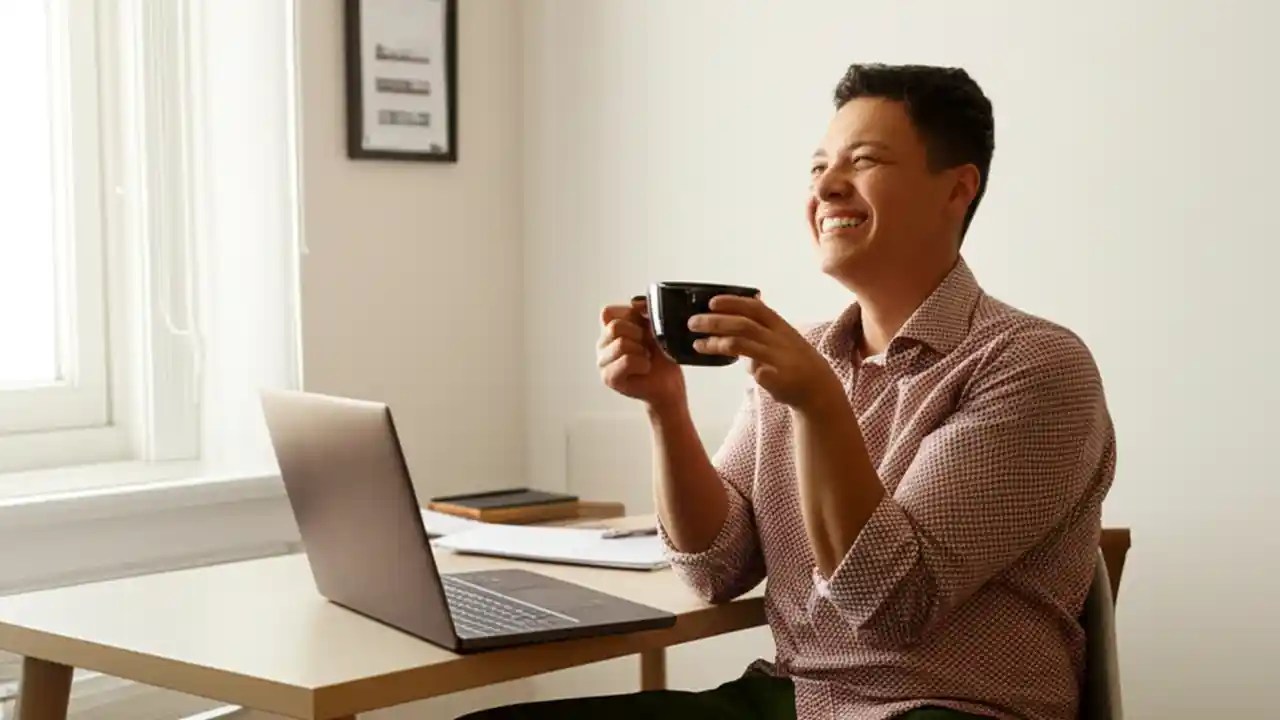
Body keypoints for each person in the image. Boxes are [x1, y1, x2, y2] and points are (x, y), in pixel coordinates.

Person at [463, 63, 1115, 720]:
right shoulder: (800, 359)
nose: (827, 186)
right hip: (793, 699)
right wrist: (666, 407)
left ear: (956, 190)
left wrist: (817, 400)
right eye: (817, 168)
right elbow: (712, 569)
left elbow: (891, 607)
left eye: (863, 161)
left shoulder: (1034, 365)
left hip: (949, 708)